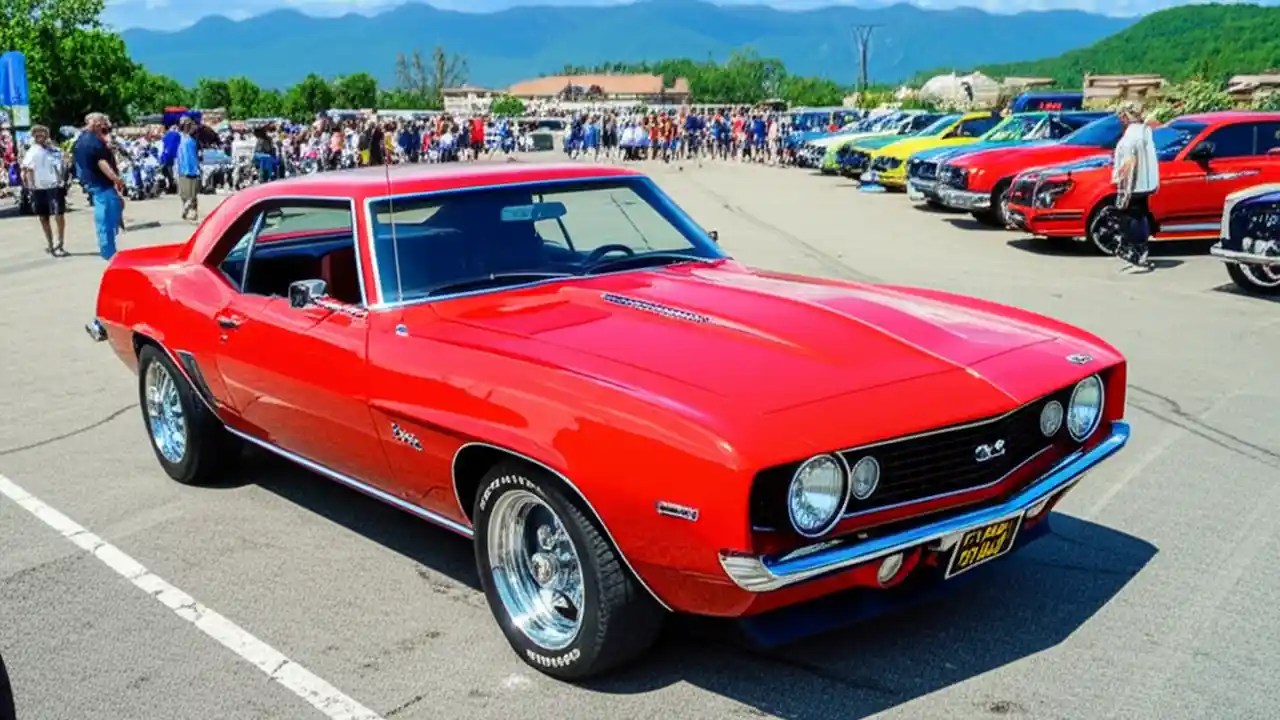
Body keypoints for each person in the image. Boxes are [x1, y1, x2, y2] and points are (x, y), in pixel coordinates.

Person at [1112, 101, 1160, 269]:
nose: (1120, 119)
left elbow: (1128, 163)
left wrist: (1122, 185)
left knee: (1131, 218)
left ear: (1125, 116)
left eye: (1121, 116)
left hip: (1133, 184)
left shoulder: (1131, 137)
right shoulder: (1145, 132)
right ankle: (1141, 250)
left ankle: (1135, 251)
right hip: (1146, 184)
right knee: (1141, 215)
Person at [72, 113, 125, 260]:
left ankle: (108, 247)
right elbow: (101, 162)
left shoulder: (81, 139)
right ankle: (108, 250)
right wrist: (116, 179)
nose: (104, 125)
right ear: (95, 123)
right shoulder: (93, 141)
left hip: (91, 182)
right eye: (102, 122)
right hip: (101, 183)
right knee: (107, 214)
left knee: (111, 210)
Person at [21, 124, 68, 256]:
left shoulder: (54, 150)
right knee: (43, 217)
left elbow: (63, 164)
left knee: (59, 214)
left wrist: (63, 180)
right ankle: (50, 243)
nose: (39, 136)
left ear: (47, 135)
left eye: (42, 133)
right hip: (39, 188)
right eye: (36, 134)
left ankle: (60, 243)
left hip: (55, 186)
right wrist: (30, 186)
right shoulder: (32, 151)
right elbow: (27, 168)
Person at [176, 117, 201, 222]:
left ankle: (190, 210)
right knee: (188, 193)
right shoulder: (185, 139)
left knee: (188, 193)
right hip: (188, 168)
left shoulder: (188, 139)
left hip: (187, 169)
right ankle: (190, 210)